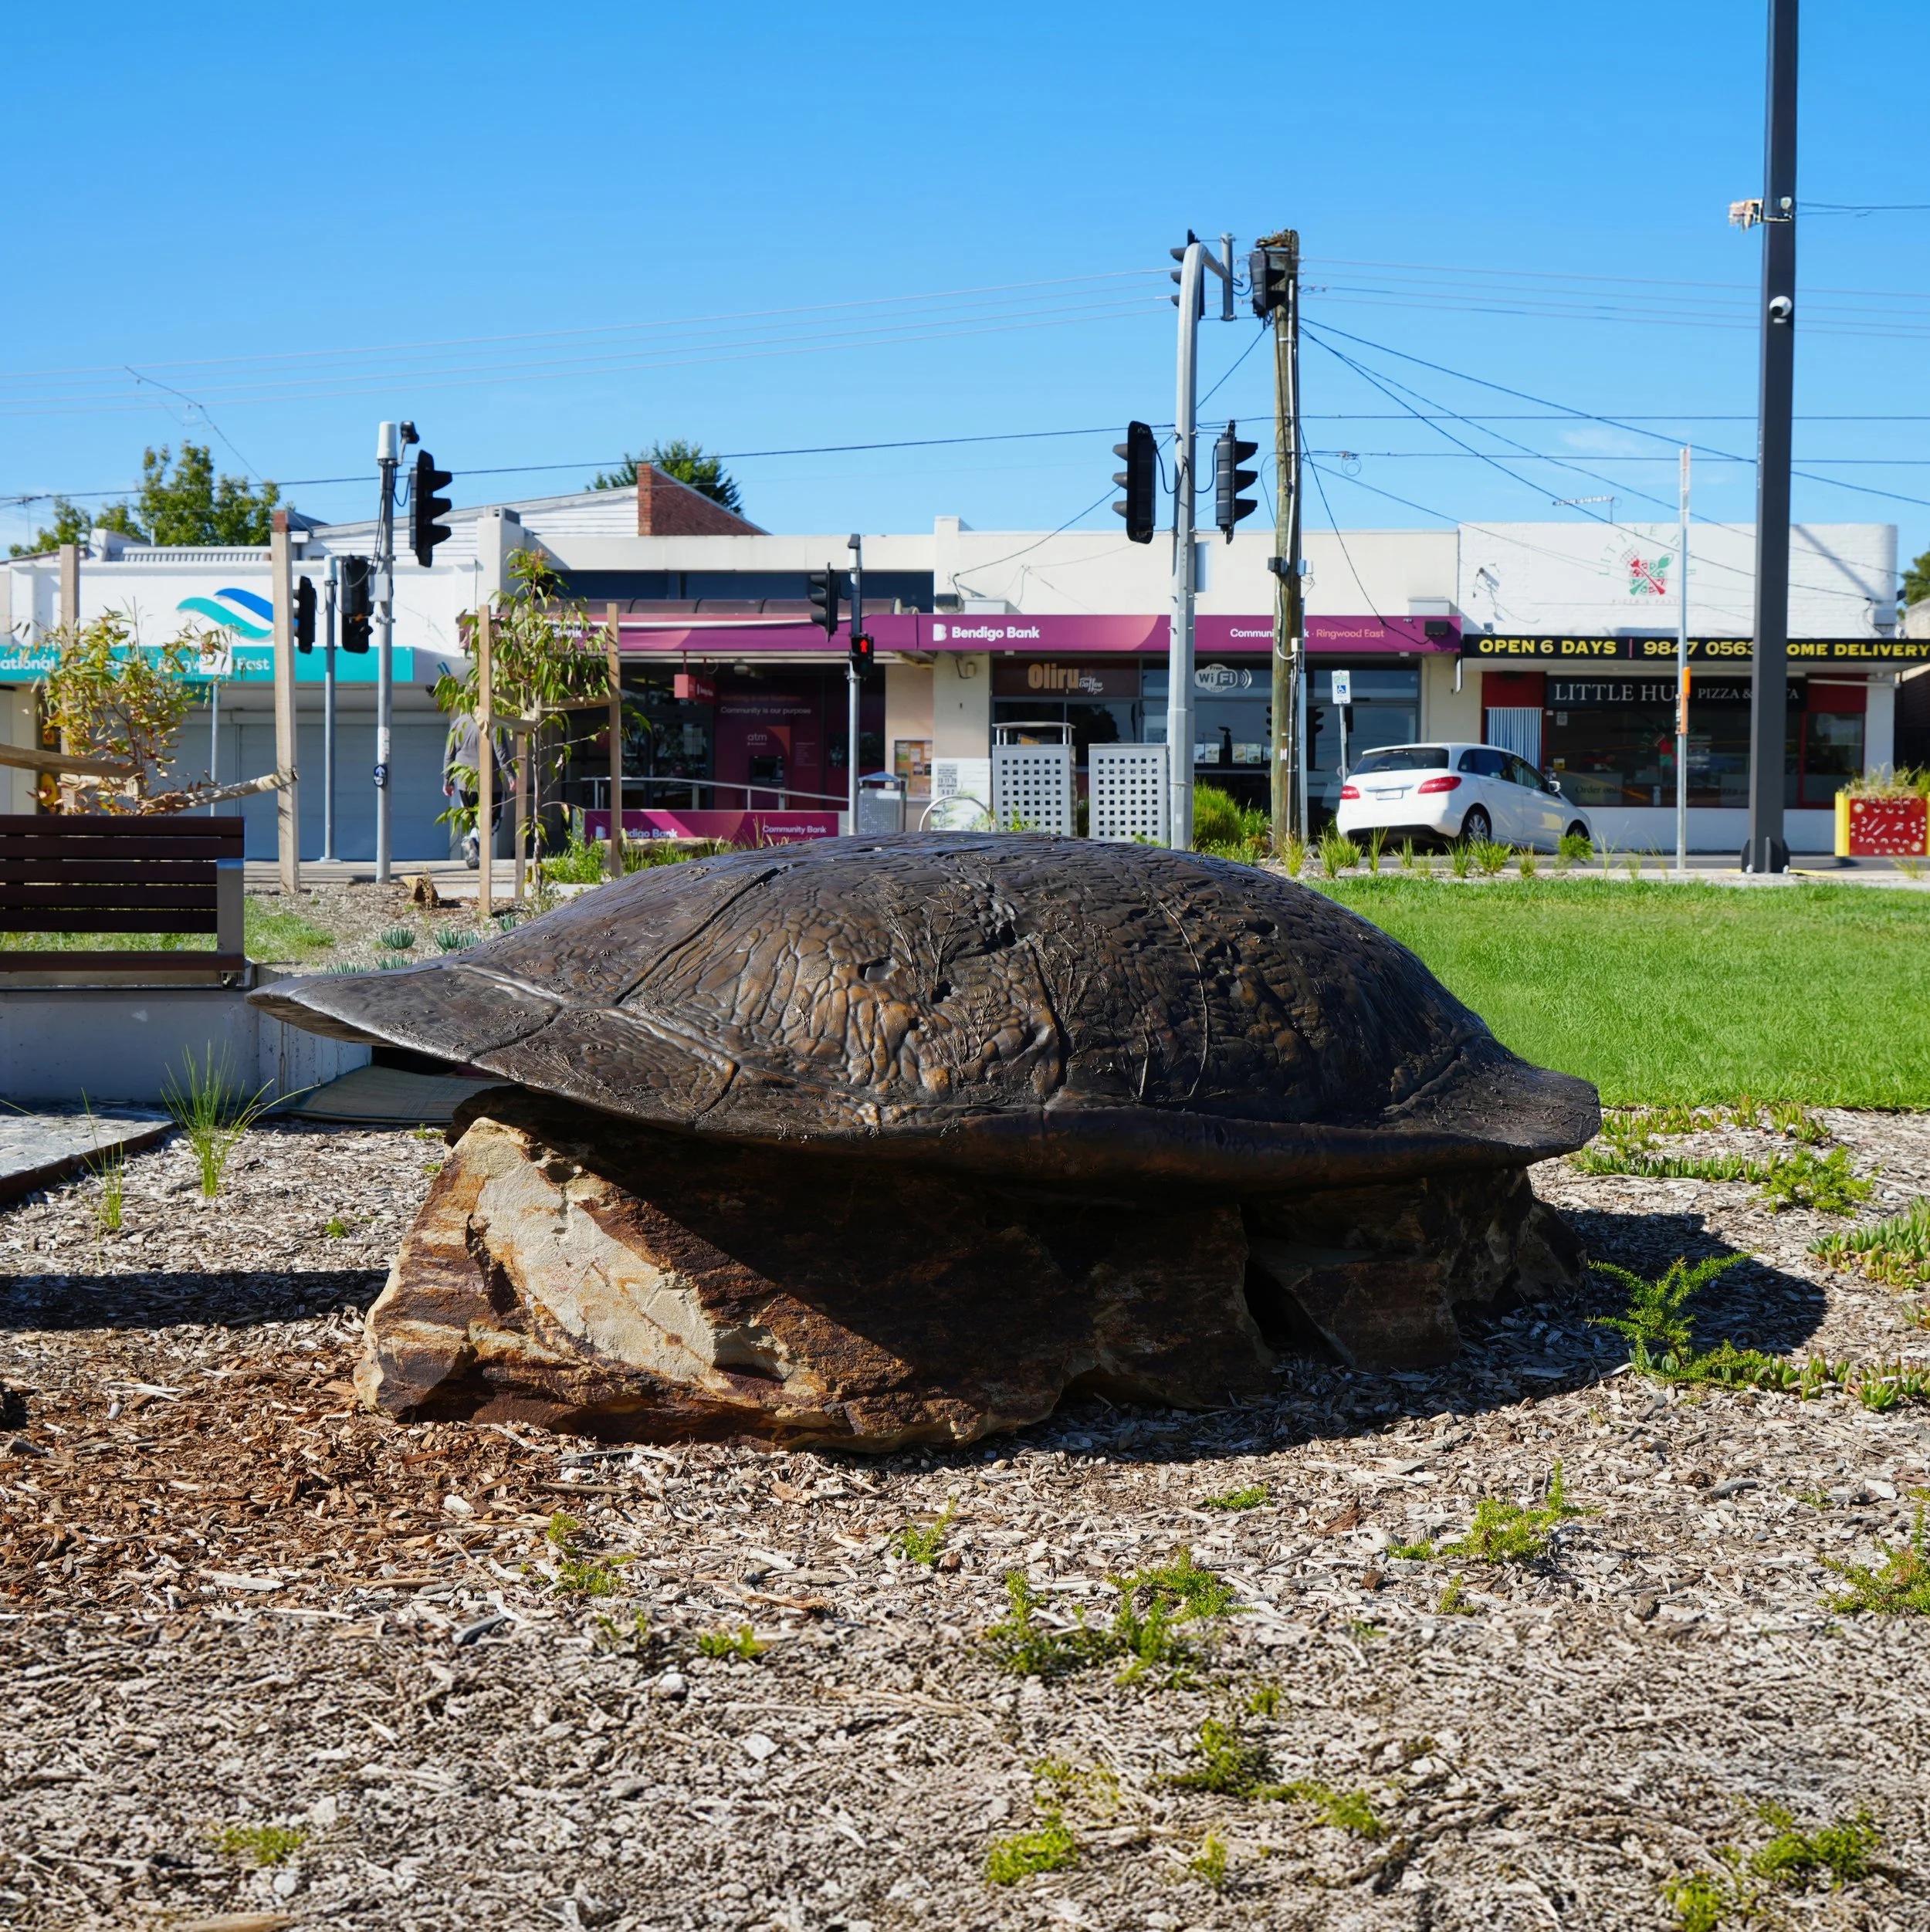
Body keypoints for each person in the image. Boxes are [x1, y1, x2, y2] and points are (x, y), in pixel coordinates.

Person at [443, 712, 514, 868]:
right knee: (492, 823)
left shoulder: (459, 722)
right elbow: (501, 752)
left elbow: (449, 753)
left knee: (475, 821)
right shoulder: (493, 722)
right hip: (491, 784)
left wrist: (447, 781)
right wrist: (510, 775)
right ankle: (473, 842)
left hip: (465, 783)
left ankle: (475, 855)